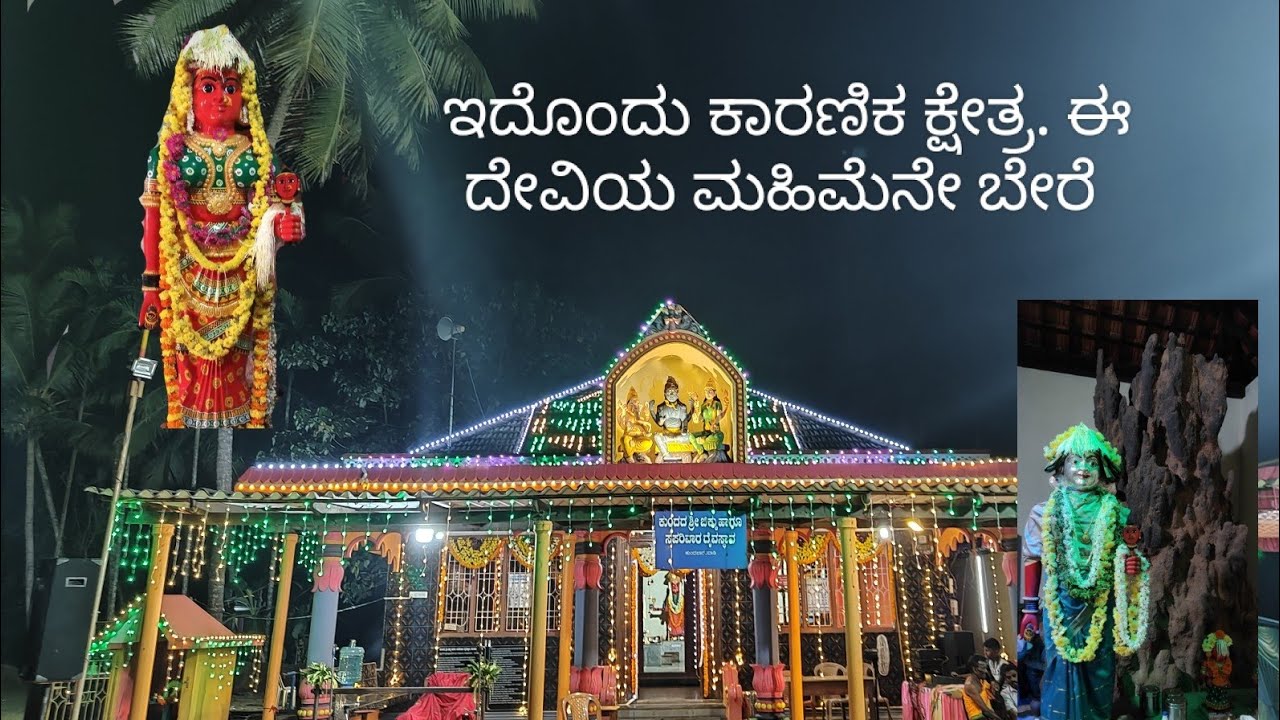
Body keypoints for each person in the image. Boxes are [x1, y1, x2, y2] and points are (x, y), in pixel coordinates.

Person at [138, 25, 303, 429]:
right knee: (186, 356)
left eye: (230, 86)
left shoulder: (259, 155)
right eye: (209, 87)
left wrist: (285, 224)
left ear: (243, 95)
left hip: (245, 273)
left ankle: (250, 420)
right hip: (186, 277)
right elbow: (154, 218)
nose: (221, 97)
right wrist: (150, 287)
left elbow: (284, 205)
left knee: (246, 357)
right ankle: (184, 420)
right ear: (189, 93)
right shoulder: (168, 154)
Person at [1021, 424, 1151, 720]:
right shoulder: (1043, 512)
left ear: (1102, 469)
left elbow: (1124, 556)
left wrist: (1132, 567)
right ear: (1061, 467)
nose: (1083, 468)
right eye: (1075, 461)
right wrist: (1029, 608)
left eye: (1091, 462)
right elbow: (1032, 558)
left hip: (1100, 607)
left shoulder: (1116, 512)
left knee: (1099, 672)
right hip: (1060, 611)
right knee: (1057, 669)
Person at [963, 654, 1003, 720]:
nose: (986, 671)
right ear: (975, 669)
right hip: (977, 717)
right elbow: (985, 710)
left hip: (986, 714)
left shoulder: (981, 680)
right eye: (983, 668)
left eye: (986, 668)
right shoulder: (970, 685)